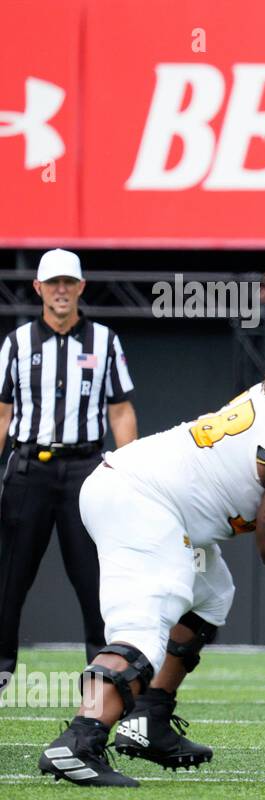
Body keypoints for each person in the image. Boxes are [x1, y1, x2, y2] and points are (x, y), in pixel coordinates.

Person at [38, 339, 265, 786]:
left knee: (212, 596)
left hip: (138, 490)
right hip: (143, 503)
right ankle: (79, 741)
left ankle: (148, 721)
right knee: (140, 633)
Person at [0, 249, 139, 690]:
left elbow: (120, 412)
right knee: (9, 577)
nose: (61, 290)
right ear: (38, 288)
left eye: (69, 282)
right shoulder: (18, 343)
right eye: (53, 282)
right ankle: (0, 668)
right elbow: (2, 414)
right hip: (29, 469)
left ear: (81, 287)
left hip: (85, 470)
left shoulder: (105, 341)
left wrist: (129, 472)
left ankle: (102, 675)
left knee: (96, 579)